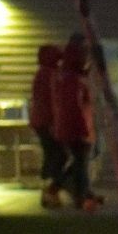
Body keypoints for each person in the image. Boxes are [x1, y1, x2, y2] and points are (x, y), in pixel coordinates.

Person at [52, 34, 100, 211]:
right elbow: (74, 106)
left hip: (73, 127)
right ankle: (78, 196)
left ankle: (81, 194)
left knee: (80, 163)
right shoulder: (72, 79)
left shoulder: (68, 76)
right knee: (81, 165)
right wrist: (83, 130)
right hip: (77, 129)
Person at [30, 45, 68, 209]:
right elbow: (51, 101)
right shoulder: (49, 75)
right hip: (47, 123)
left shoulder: (43, 74)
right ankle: (51, 189)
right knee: (59, 155)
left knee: (53, 155)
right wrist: (54, 123)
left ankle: (49, 187)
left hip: (42, 122)